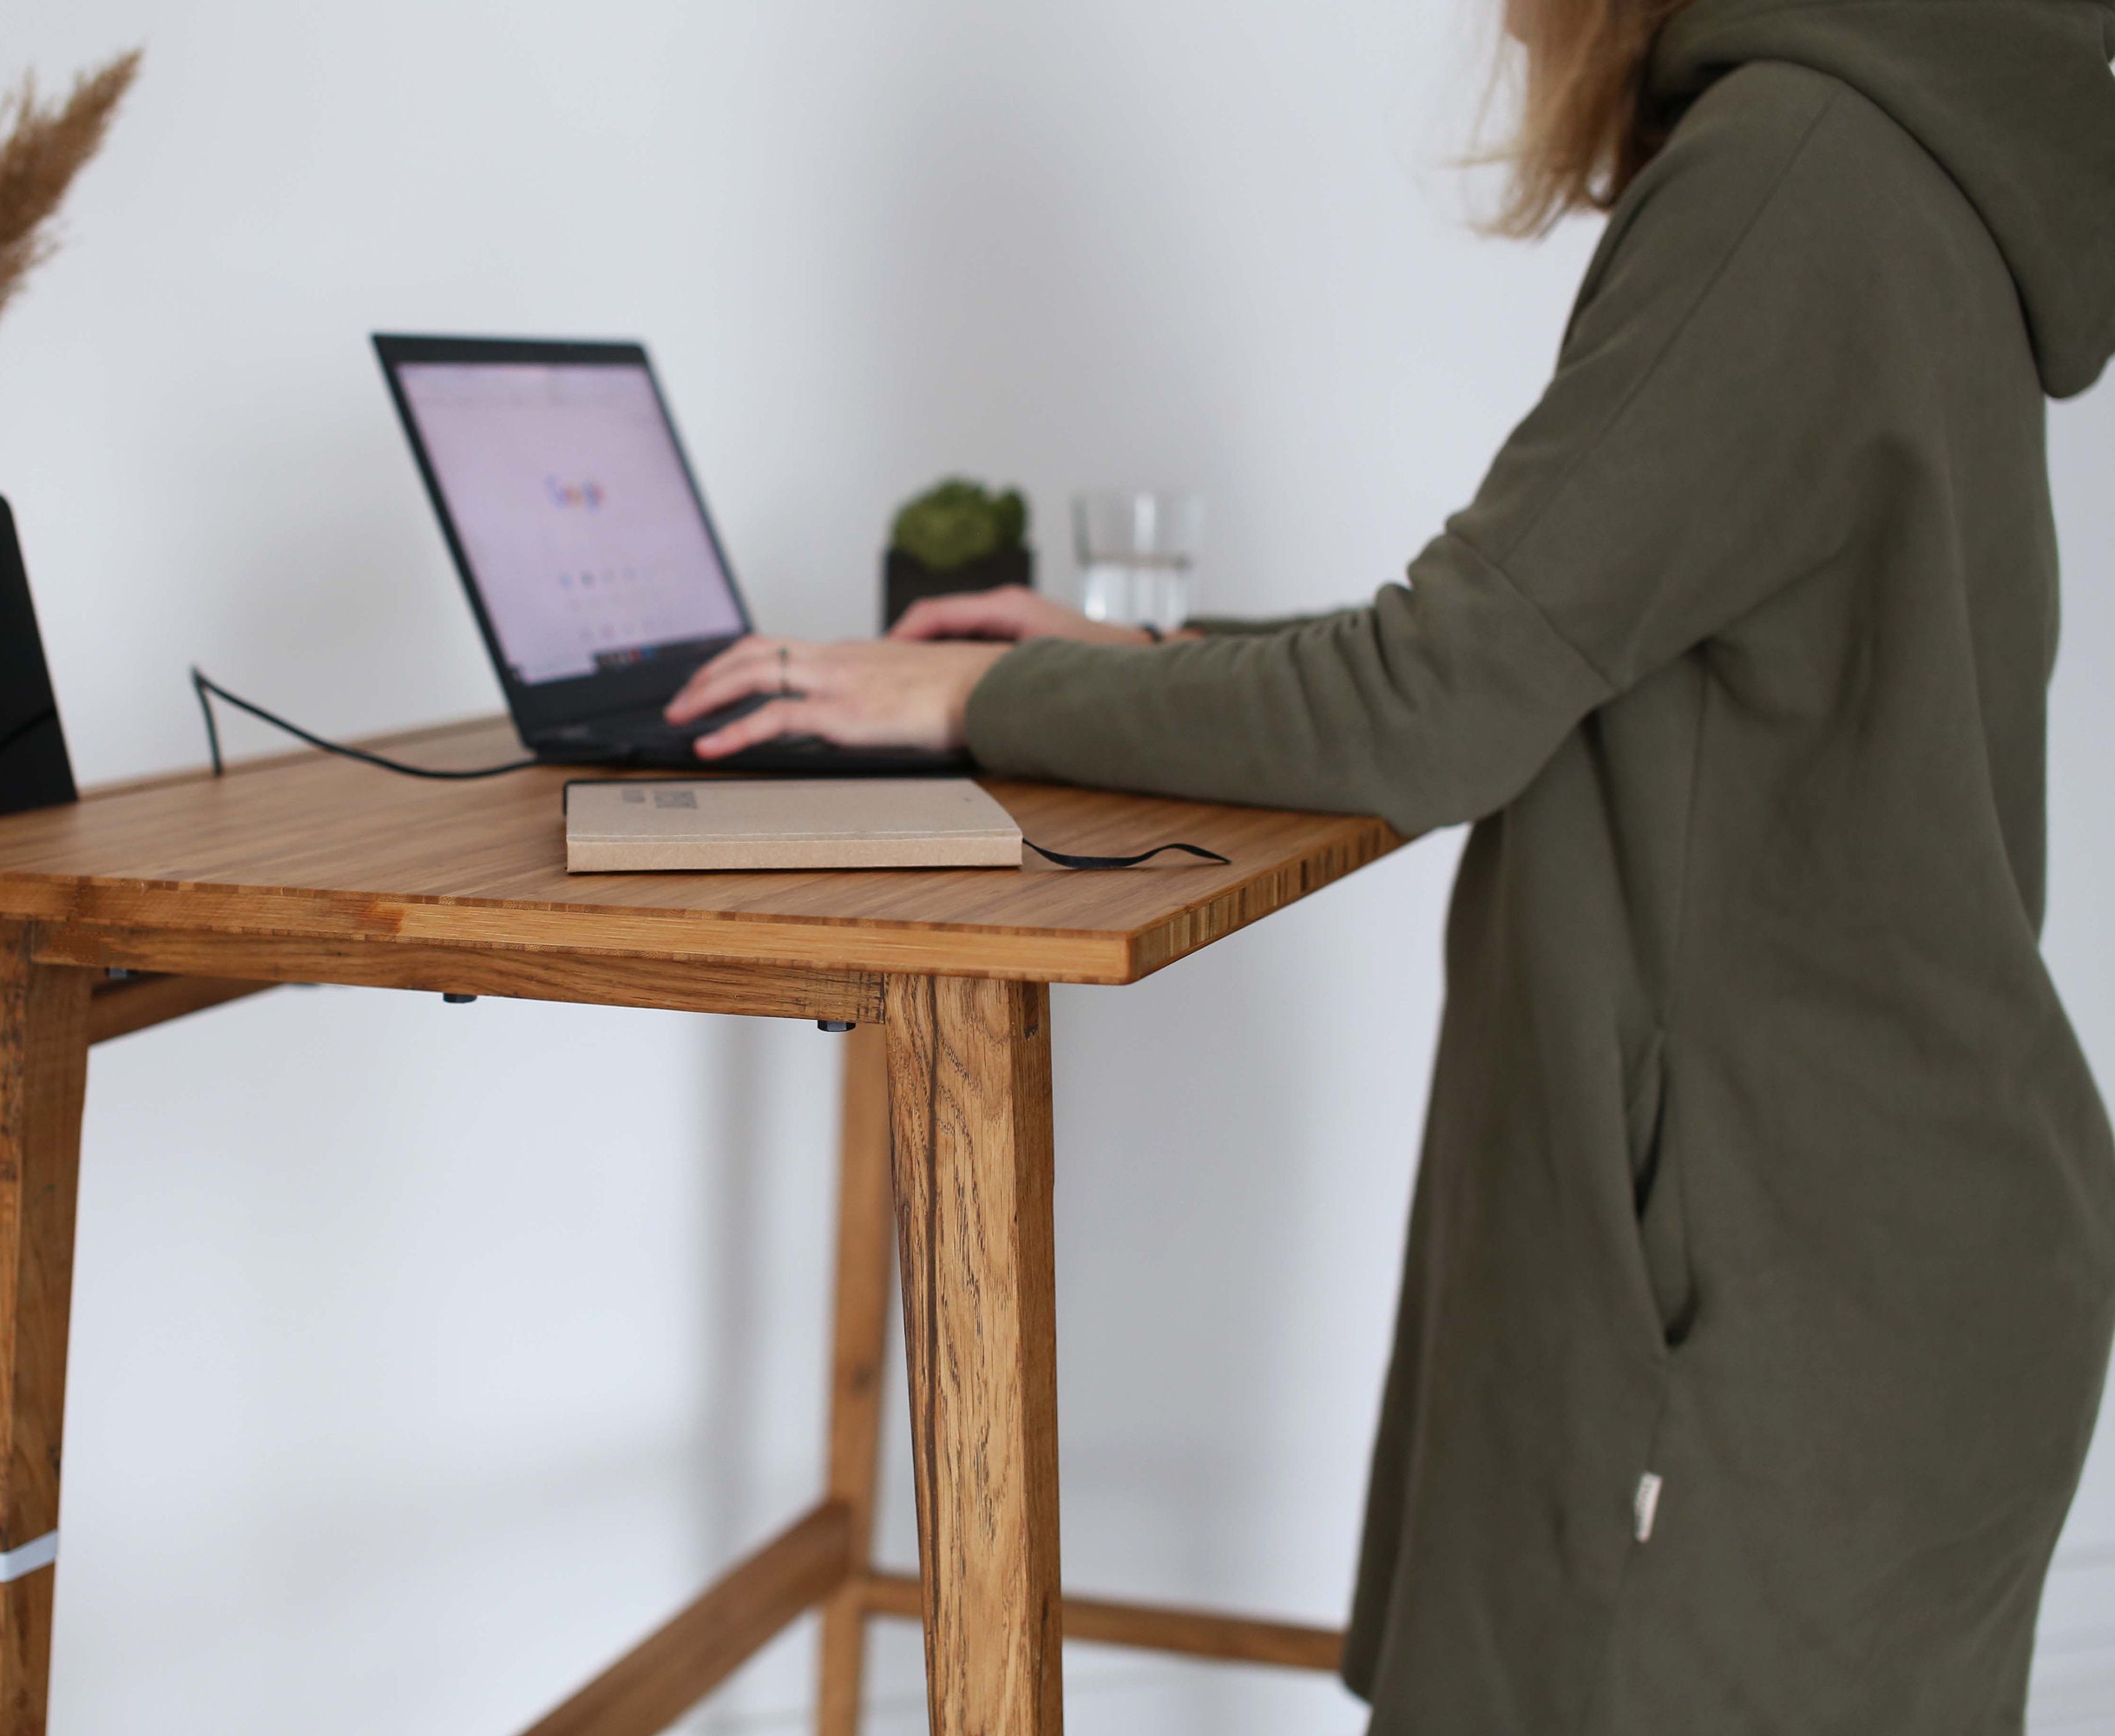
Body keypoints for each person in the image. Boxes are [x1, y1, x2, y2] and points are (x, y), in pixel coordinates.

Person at [669, 0, 2115, 1727]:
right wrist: (1146, 664)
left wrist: (980, 692)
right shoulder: (1889, 154)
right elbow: (1578, 657)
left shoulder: (1795, 170)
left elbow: (1433, 706)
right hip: (1877, 1239)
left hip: (1776, 1293)